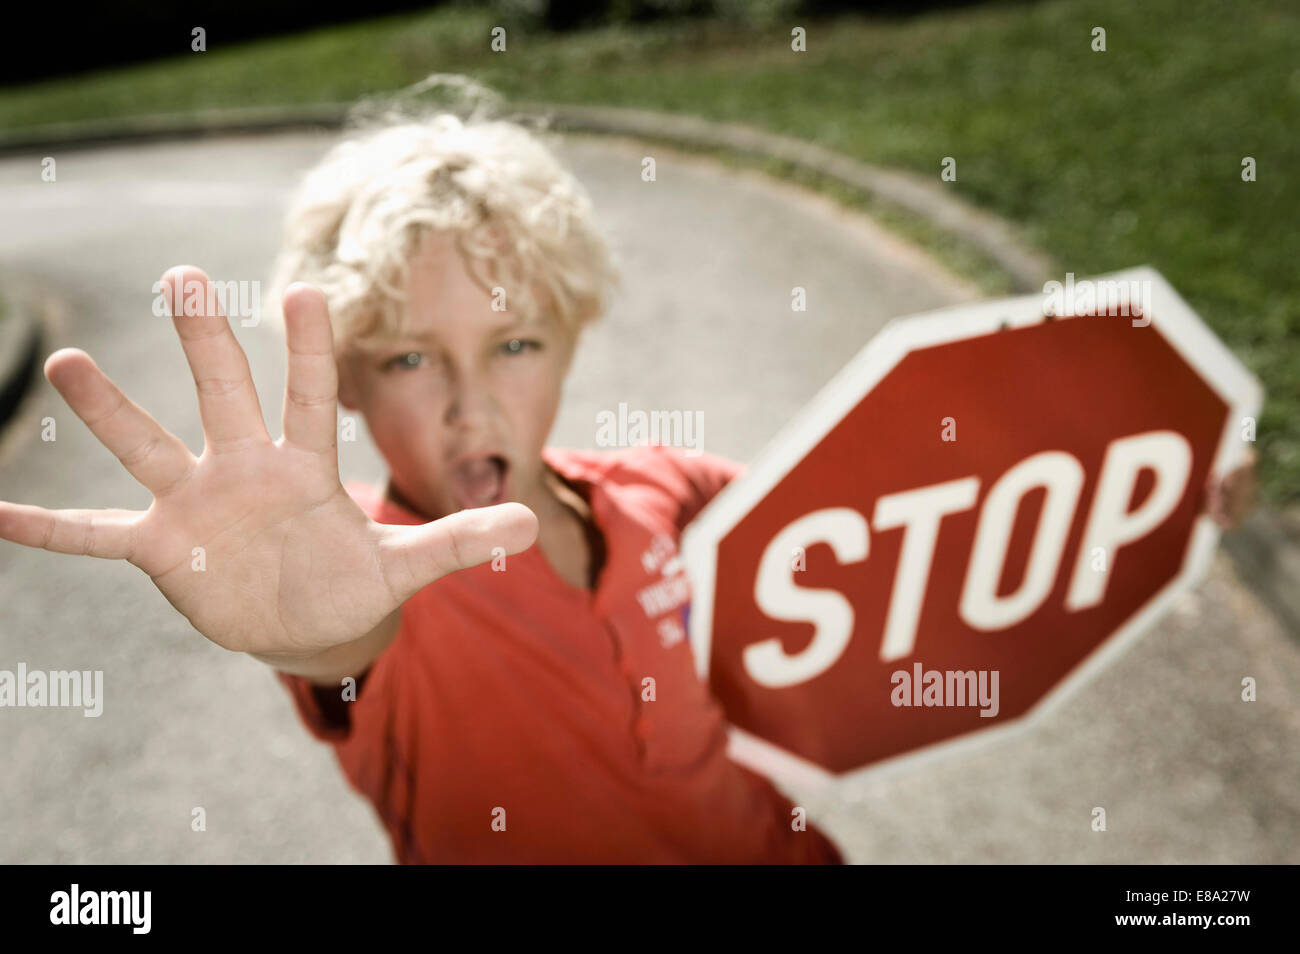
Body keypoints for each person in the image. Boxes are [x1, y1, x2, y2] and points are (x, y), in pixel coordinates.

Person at [0, 107, 1257, 865]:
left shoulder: (664, 488)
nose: (470, 402)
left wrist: (1139, 485)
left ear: (574, 337)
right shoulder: (363, 577)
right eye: (406, 359)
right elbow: (348, 643)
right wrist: (317, 626)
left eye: (513, 345)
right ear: (342, 391)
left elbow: (901, 531)